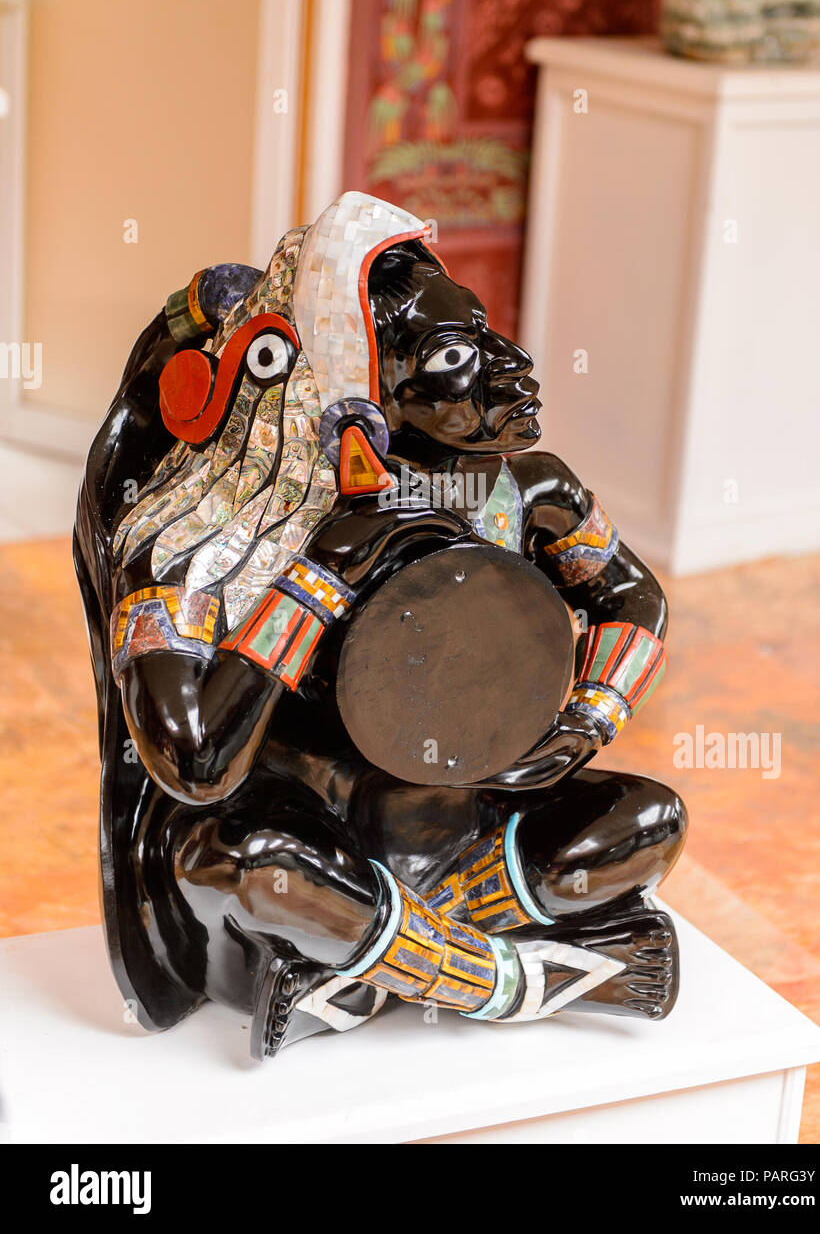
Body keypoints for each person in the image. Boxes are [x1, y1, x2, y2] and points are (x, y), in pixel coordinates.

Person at [75, 192, 687, 1059]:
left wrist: (583, 721)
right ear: (354, 395)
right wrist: (322, 574)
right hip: (313, 848)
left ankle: (368, 968)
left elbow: (633, 599)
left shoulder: (525, 490)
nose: (512, 369)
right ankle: (536, 981)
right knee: (259, 869)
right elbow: (196, 765)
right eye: (451, 354)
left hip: (468, 836)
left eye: (486, 335)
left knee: (647, 818)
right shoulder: (198, 545)